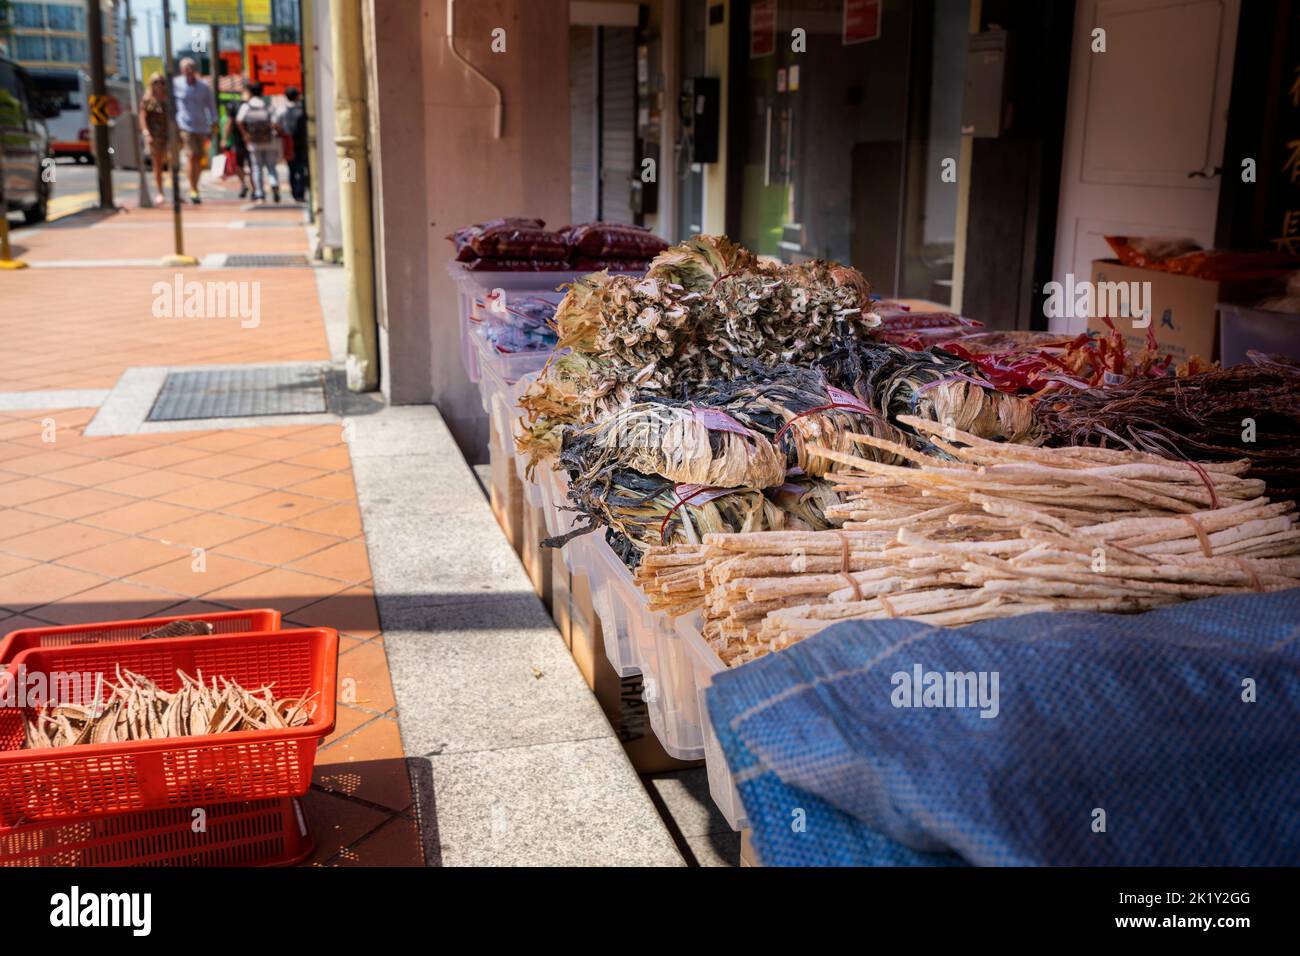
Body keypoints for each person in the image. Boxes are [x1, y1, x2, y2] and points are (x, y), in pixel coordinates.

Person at [172, 57, 218, 204]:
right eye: (186, 68)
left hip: (201, 126)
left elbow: (211, 105)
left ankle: (195, 186)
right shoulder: (176, 84)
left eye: (191, 67)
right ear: (182, 70)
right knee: (191, 156)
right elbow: (171, 104)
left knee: (199, 158)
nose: (189, 70)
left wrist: (214, 122)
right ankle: (192, 189)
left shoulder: (204, 86)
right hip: (184, 126)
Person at [237, 82, 280, 203]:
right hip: (269, 140)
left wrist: (245, 134)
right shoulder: (267, 105)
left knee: (256, 168)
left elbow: (239, 121)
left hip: (254, 141)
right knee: (271, 166)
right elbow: (275, 123)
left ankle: (260, 193)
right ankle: (274, 184)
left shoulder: (246, 106)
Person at [138, 73, 170, 206]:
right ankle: (160, 192)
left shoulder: (168, 99)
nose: (159, 85)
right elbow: (142, 118)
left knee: (173, 163)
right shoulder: (147, 99)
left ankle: (176, 192)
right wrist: (146, 134)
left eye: (162, 82)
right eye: (156, 82)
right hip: (155, 136)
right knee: (158, 164)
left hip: (168, 134)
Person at [277, 86, 309, 203]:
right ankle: (300, 193)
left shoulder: (282, 110)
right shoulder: (303, 109)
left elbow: (276, 124)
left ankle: (294, 193)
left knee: (291, 168)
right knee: (301, 168)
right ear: (297, 96)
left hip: (288, 142)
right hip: (302, 142)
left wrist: (282, 134)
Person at [222, 87, 251, 199]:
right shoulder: (238, 105)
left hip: (244, 139)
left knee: (242, 165)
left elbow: (230, 123)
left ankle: (248, 185)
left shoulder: (248, 105)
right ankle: (247, 185)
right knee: (242, 164)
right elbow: (230, 123)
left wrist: (224, 138)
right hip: (243, 139)